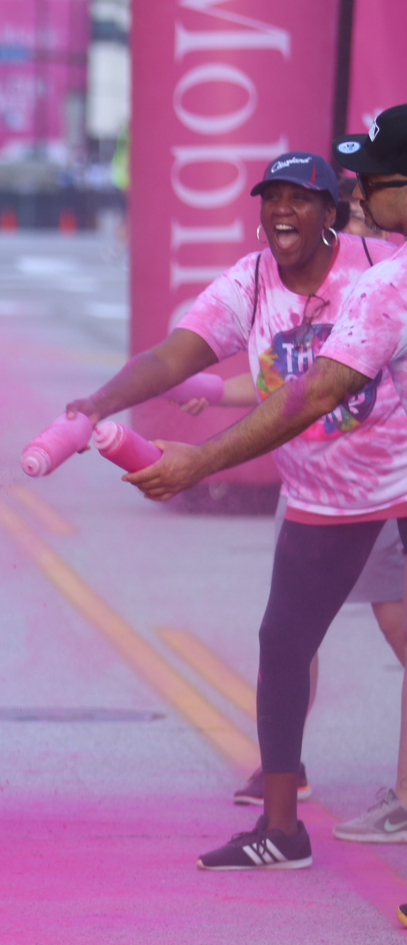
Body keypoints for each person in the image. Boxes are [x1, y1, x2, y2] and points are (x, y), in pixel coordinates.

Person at [65, 149, 407, 870]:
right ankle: (281, 829)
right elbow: (177, 354)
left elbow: (317, 393)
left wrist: (200, 461)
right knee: (282, 645)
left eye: (299, 199)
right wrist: (103, 400)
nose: (282, 211)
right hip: (320, 495)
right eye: (270, 198)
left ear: (330, 213)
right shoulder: (249, 284)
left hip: (397, 482)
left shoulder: (379, 267)